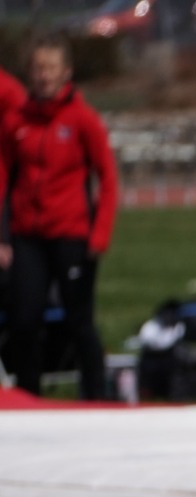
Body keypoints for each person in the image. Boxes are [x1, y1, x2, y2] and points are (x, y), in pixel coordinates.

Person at [0, 38, 117, 401]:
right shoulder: (16, 122)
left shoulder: (83, 120)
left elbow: (108, 178)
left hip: (71, 234)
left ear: (65, 73)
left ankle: (95, 397)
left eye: (50, 69)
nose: (43, 76)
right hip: (26, 235)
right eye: (37, 69)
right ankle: (28, 397)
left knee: (78, 321)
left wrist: (99, 236)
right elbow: (3, 178)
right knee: (24, 321)